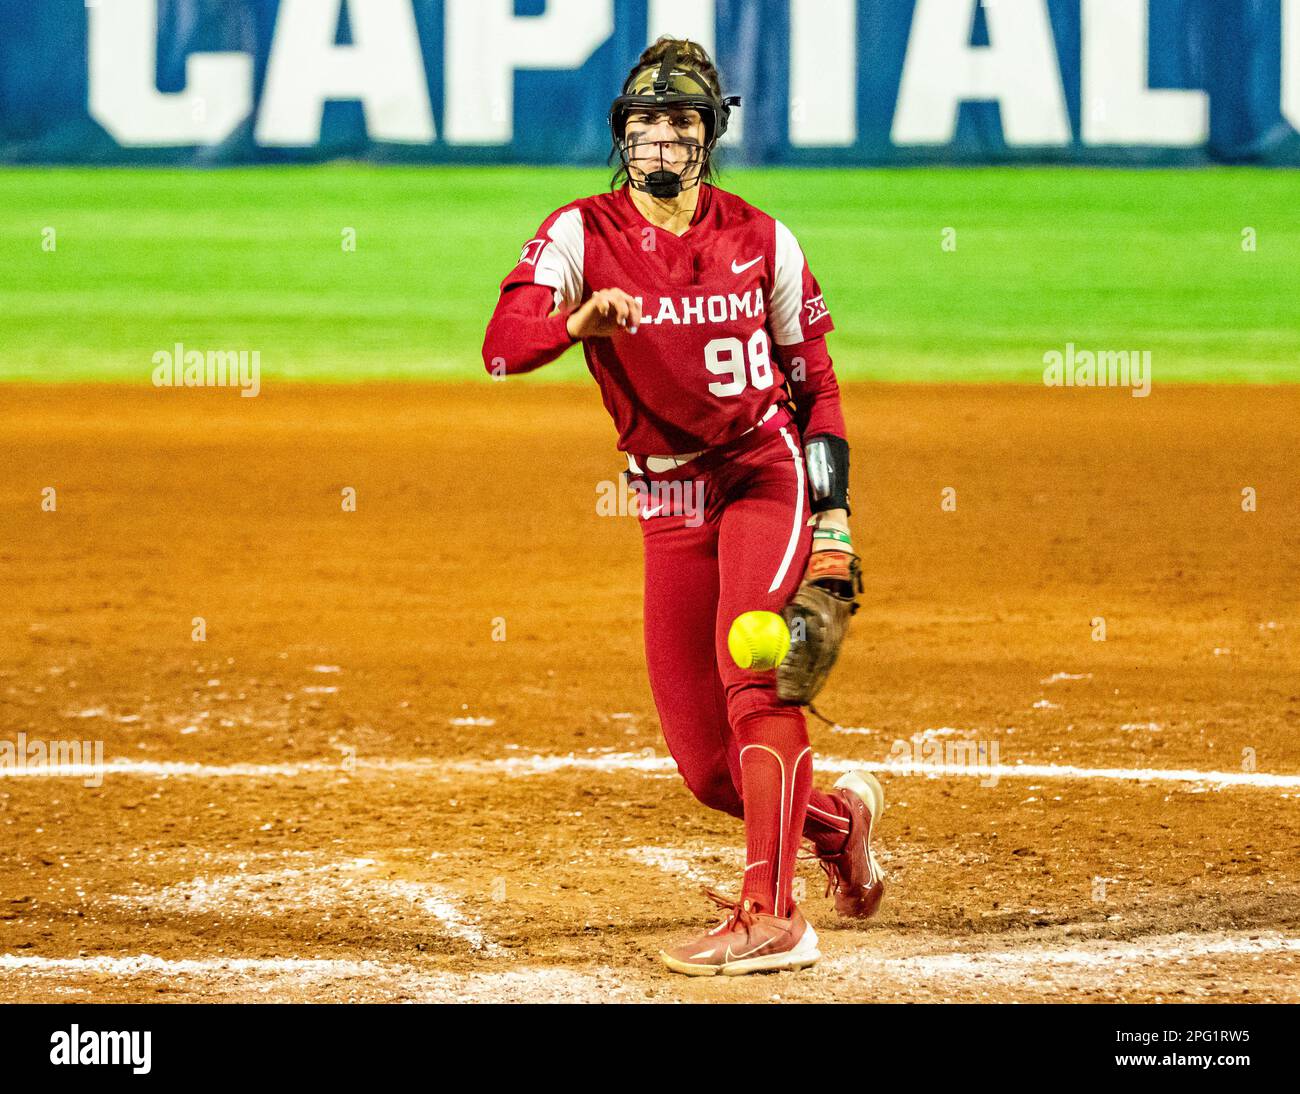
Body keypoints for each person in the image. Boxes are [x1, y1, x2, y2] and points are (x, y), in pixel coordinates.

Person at [482, 36, 884, 976]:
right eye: (645, 122)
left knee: (757, 681)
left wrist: (834, 519)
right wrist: (570, 323)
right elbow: (501, 345)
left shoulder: (764, 239)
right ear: (621, 133)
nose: (661, 139)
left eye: (681, 123)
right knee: (708, 768)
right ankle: (839, 825)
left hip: (762, 476)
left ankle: (772, 916)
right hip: (667, 499)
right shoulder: (581, 235)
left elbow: (815, 388)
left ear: (711, 137)